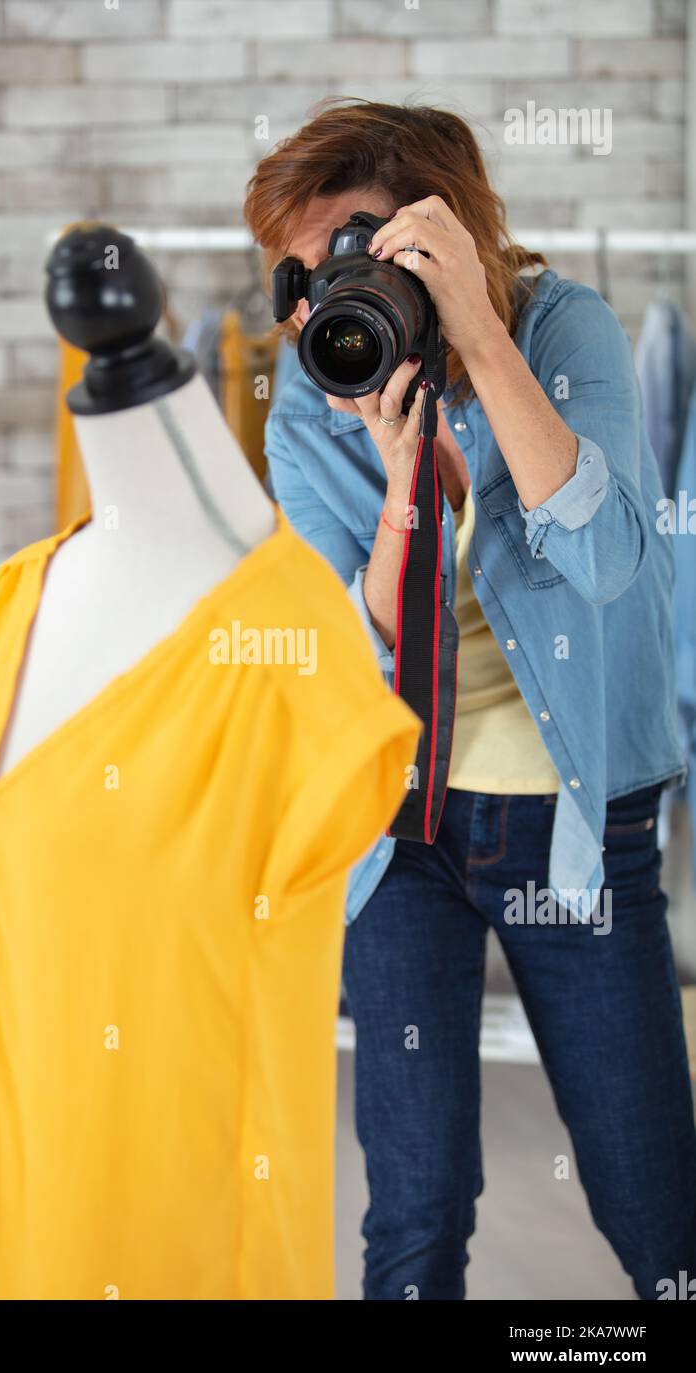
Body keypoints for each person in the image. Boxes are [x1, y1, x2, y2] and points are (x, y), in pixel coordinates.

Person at [244, 101, 696, 1301]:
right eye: (297, 273)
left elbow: (606, 562)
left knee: (651, 1202)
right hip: (401, 831)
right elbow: (367, 653)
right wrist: (401, 480)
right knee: (414, 1204)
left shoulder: (566, 332)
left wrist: (479, 345)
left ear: (447, 229)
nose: (317, 297)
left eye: (353, 254)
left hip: (570, 823)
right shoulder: (311, 399)